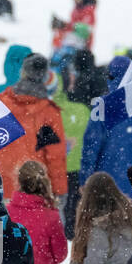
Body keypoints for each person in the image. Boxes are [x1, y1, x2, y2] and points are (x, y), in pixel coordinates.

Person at [80, 54, 132, 200]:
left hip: (104, 186)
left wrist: (85, 179)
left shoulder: (102, 106)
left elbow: (91, 147)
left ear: (110, 76)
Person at [0, 54, 67, 203]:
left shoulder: (1, 102)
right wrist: (59, 190)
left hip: (2, 185)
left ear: (23, 72)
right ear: (45, 76)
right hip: (34, 188)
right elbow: (55, 155)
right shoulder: (49, 111)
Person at [52, 49, 106, 238]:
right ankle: (78, 233)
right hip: (82, 164)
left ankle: (63, 234)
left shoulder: (51, 111)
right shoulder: (83, 109)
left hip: (59, 166)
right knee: (80, 203)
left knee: (62, 205)